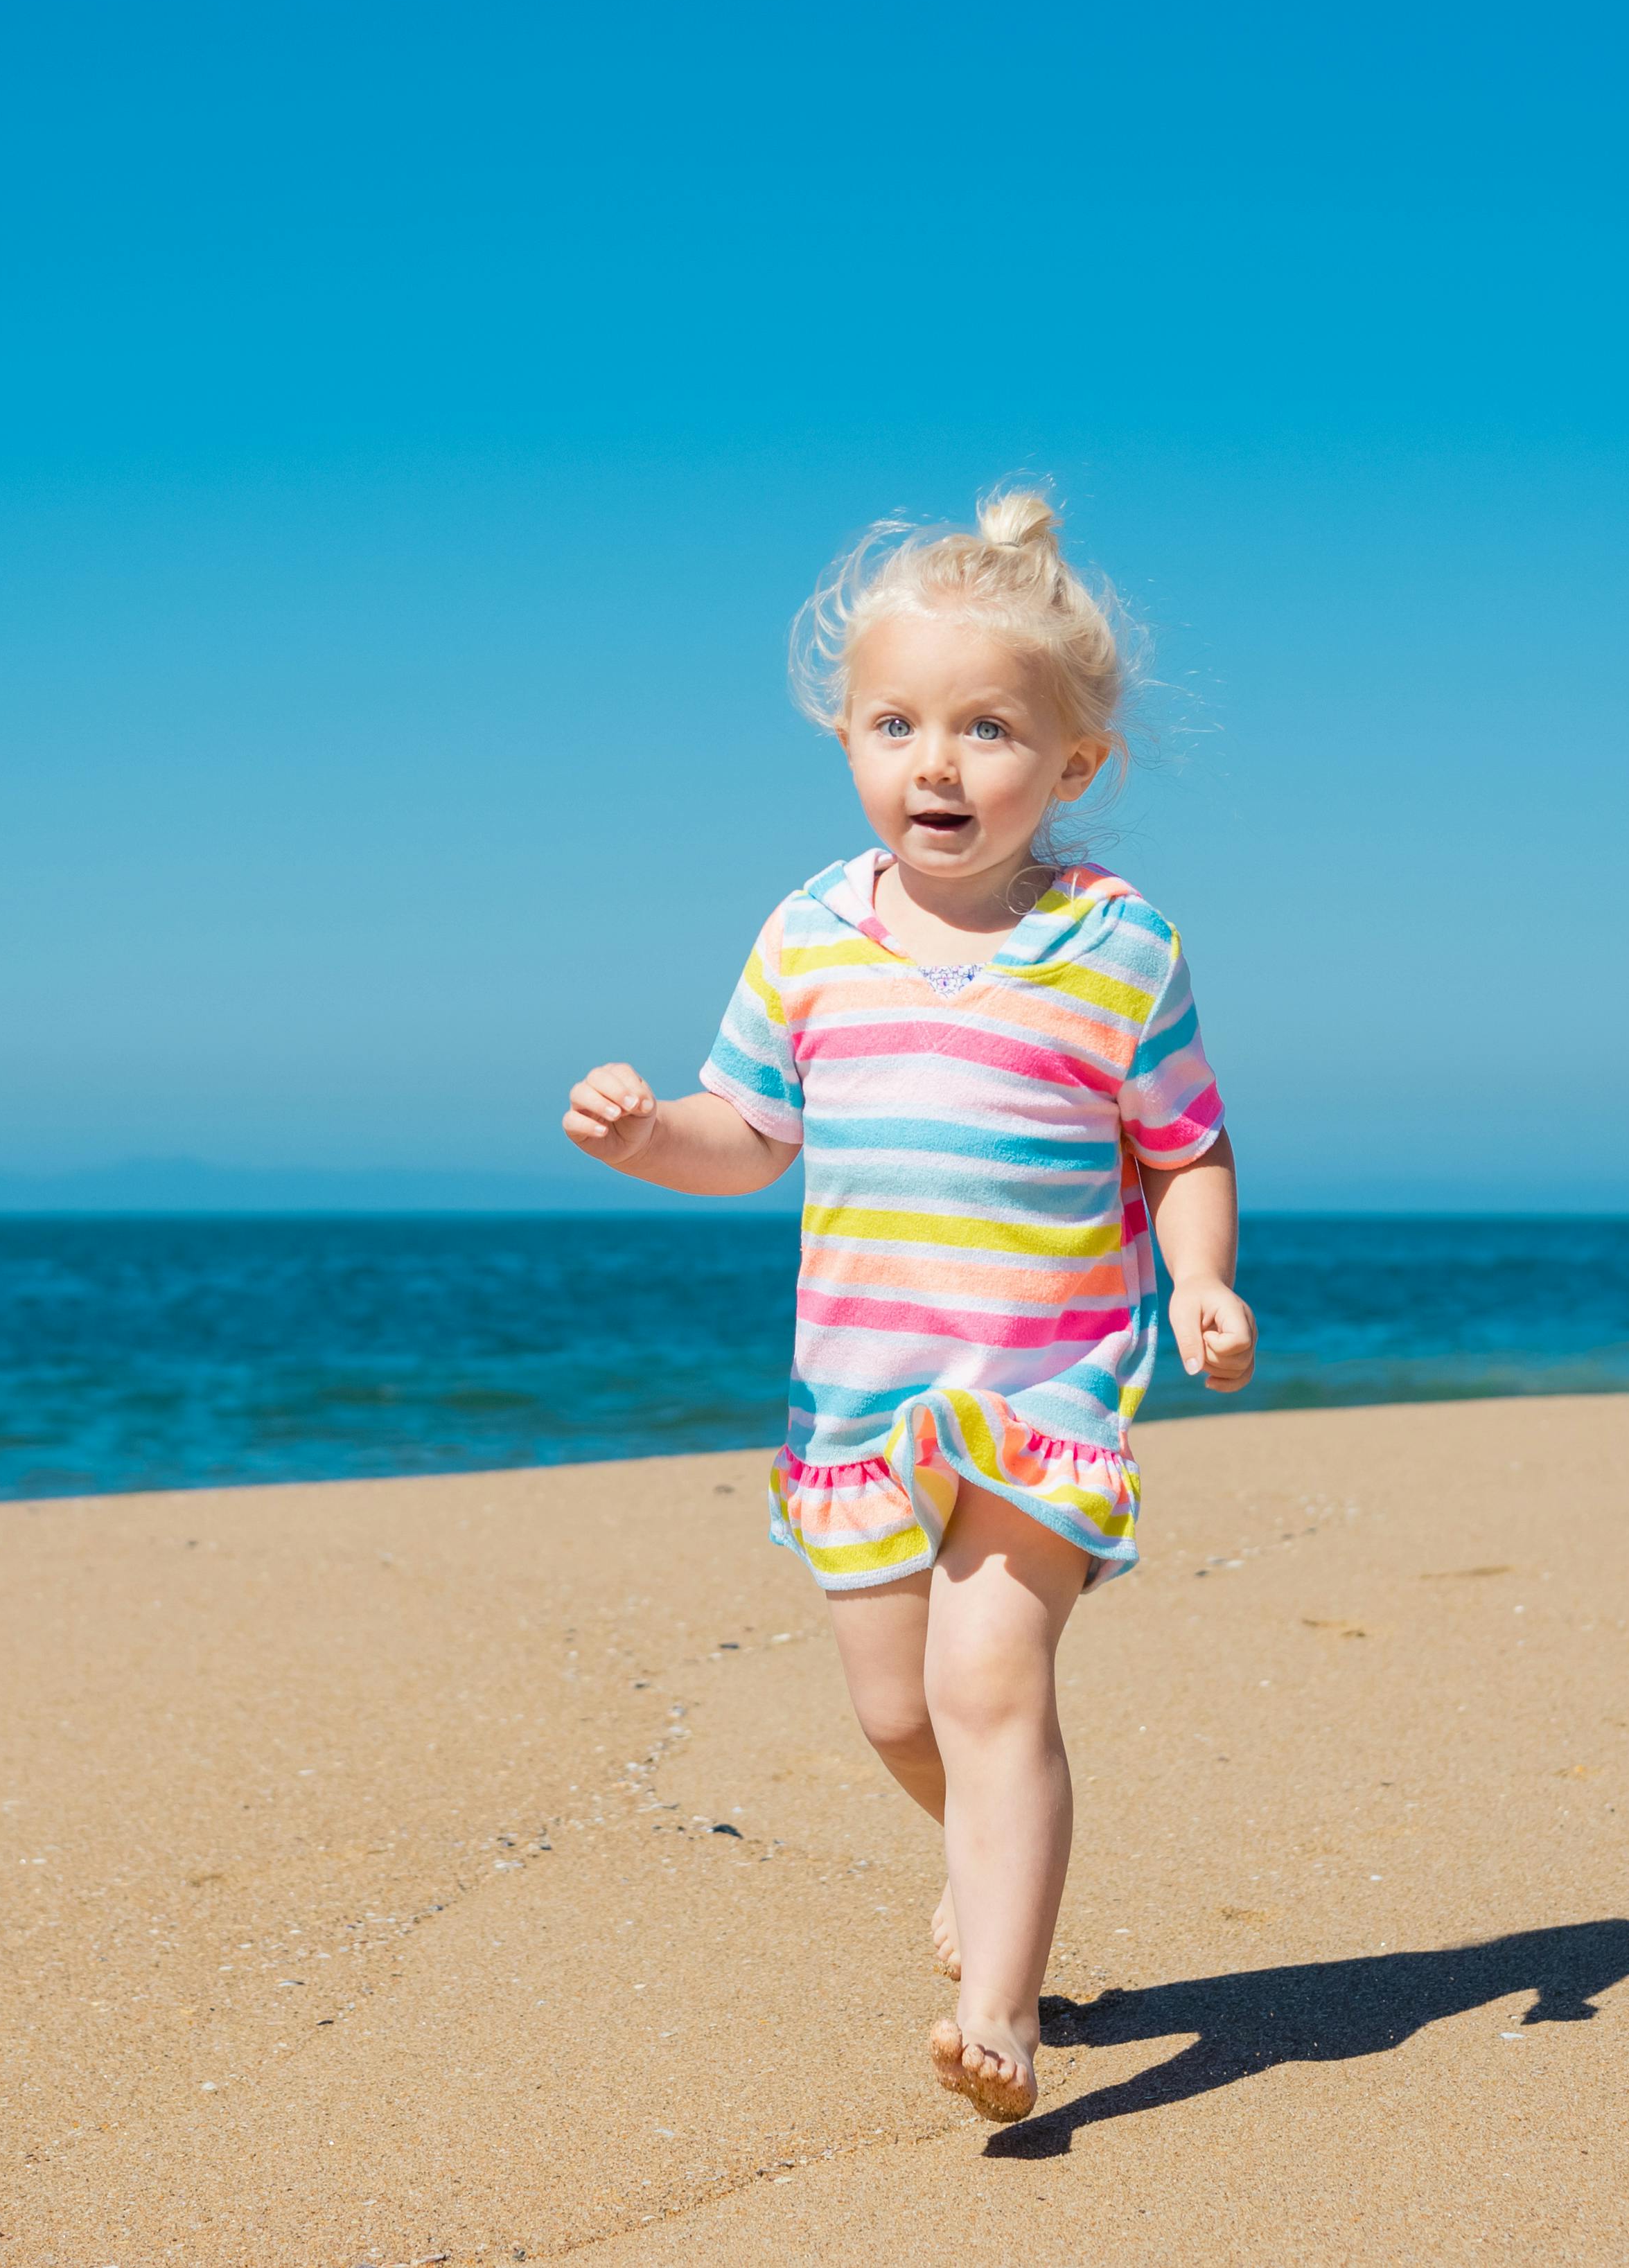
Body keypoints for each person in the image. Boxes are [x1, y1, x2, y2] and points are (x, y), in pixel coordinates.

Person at [561, 483, 1254, 2123]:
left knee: (987, 1682)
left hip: (1046, 1392)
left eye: (988, 729)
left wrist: (1205, 1276)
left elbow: (1187, 1146)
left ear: (1074, 766)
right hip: (857, 1402)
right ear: (849, 737)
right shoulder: (811, 937)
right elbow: (750, 1137)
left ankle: (1003, 2013)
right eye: (895, 723)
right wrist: (654, 1132)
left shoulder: (1117, 947)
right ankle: (979, 1852)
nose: (935, 763)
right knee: (892, 1709)